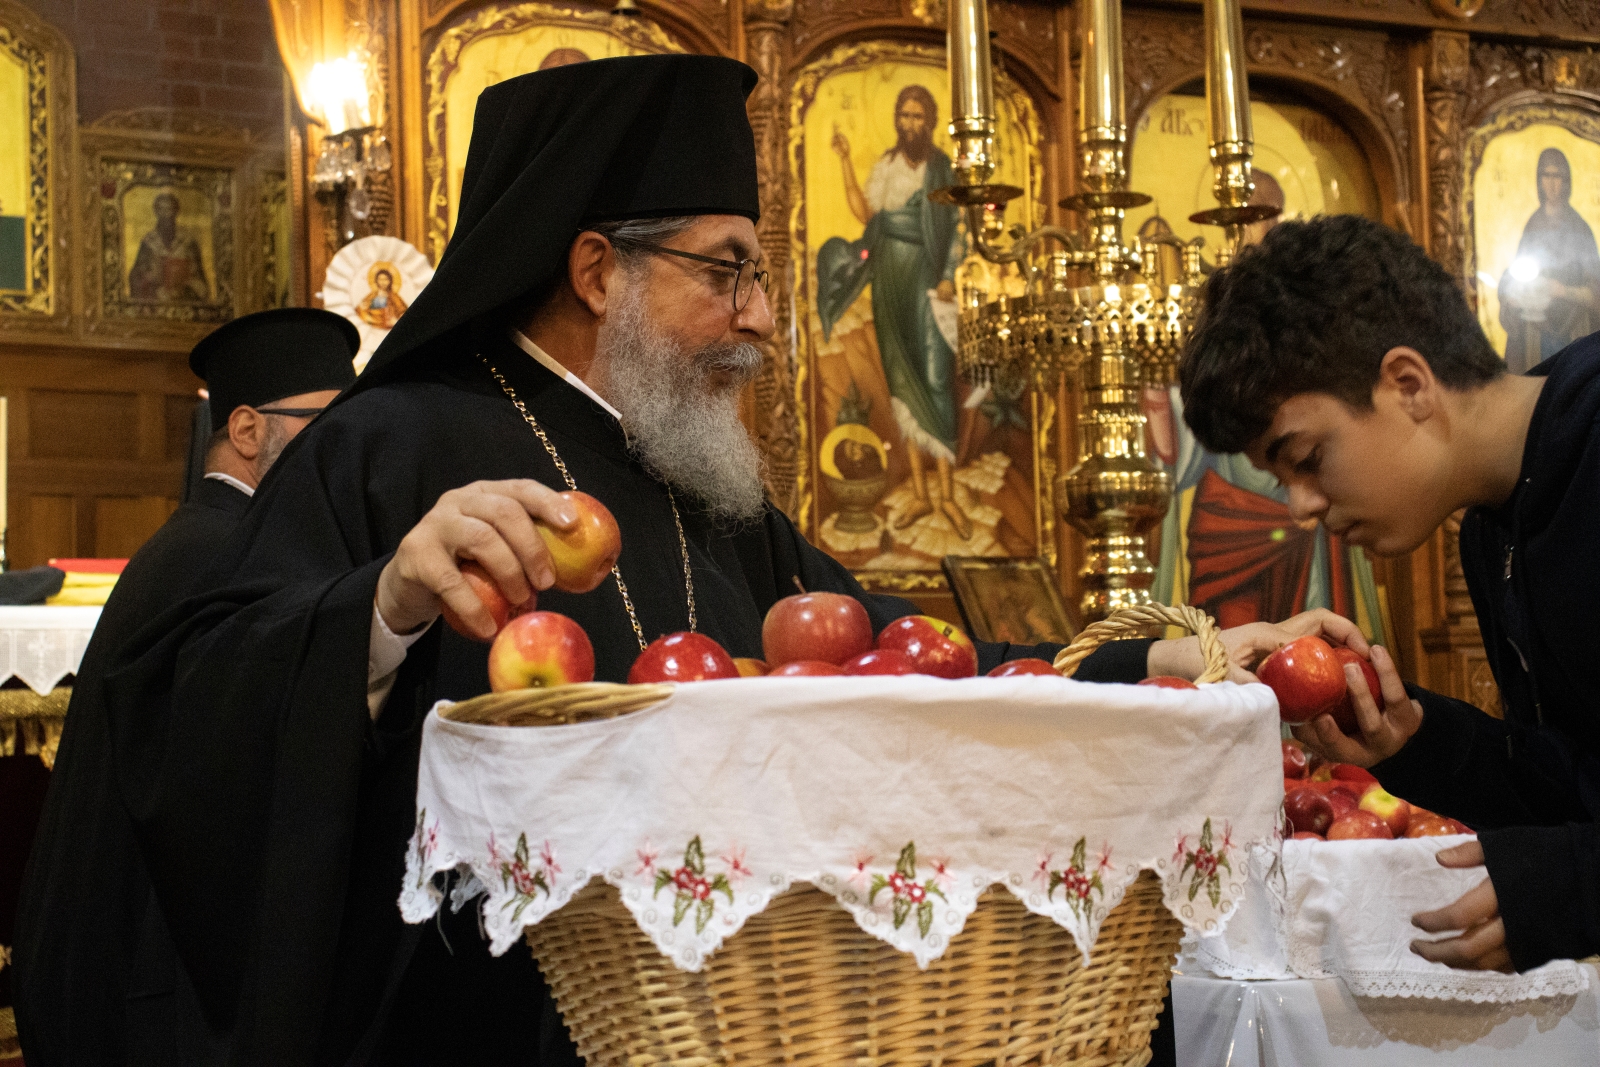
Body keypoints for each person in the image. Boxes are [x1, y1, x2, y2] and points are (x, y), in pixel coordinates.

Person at [50, 56, 1338, 1067]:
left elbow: (903, 652)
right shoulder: (392, 442)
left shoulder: (703, 482)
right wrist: (380, 606)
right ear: (596, 268)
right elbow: (184, 714)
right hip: (475, 1029)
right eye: (727, 272)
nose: (767, 319)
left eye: (762, 276)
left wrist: (1178, 652)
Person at [1181, 213, 1600, 976]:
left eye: (1306, 457)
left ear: (1407, 384)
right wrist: (1416, 740)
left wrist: (1577, 887)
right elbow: (1575, 781)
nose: (1301, 506)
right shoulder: (1491, 529)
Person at [12, 308, 358, 1065]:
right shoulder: (224, 557)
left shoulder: (205, 541)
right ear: (245, 430)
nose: (345, 451)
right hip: (135, 993)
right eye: (325, 427)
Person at [818, 85, 970, 537]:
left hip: (927, 281)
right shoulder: (886, 166)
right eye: (903, 115)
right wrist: (846, 159)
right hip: (888, 279)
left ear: (931, 120)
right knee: (902, 381)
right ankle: (922, 496)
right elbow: (867, 213)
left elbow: (960, 227)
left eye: (918, 116)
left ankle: (948, 496)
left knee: (937, 379)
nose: (910, 124)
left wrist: (947, 274)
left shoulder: (944, 169)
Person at [1498, 147, 1600, 374]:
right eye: (1547, 175)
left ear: (1567, 181)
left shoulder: (1580, 228)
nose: (1552, 183)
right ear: (1539, 180)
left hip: (1576, 330)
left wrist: (1563, 291)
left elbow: (1597, 290)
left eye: (1558, 176)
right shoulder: (1533, 225)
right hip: (1536, 330)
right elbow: (1519, 273)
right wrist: (1514, 295)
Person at [128, 191, 209, 304]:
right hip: (155, 304)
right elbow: (135, 279)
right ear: (156, 212)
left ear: (176, 211)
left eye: (170, 209)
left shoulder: (188, 242)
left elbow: (201, 282)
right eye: (162, 209)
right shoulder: (148, 243)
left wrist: (188, 284)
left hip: (184, 302)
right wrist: (153, 285)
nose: (166, 215)